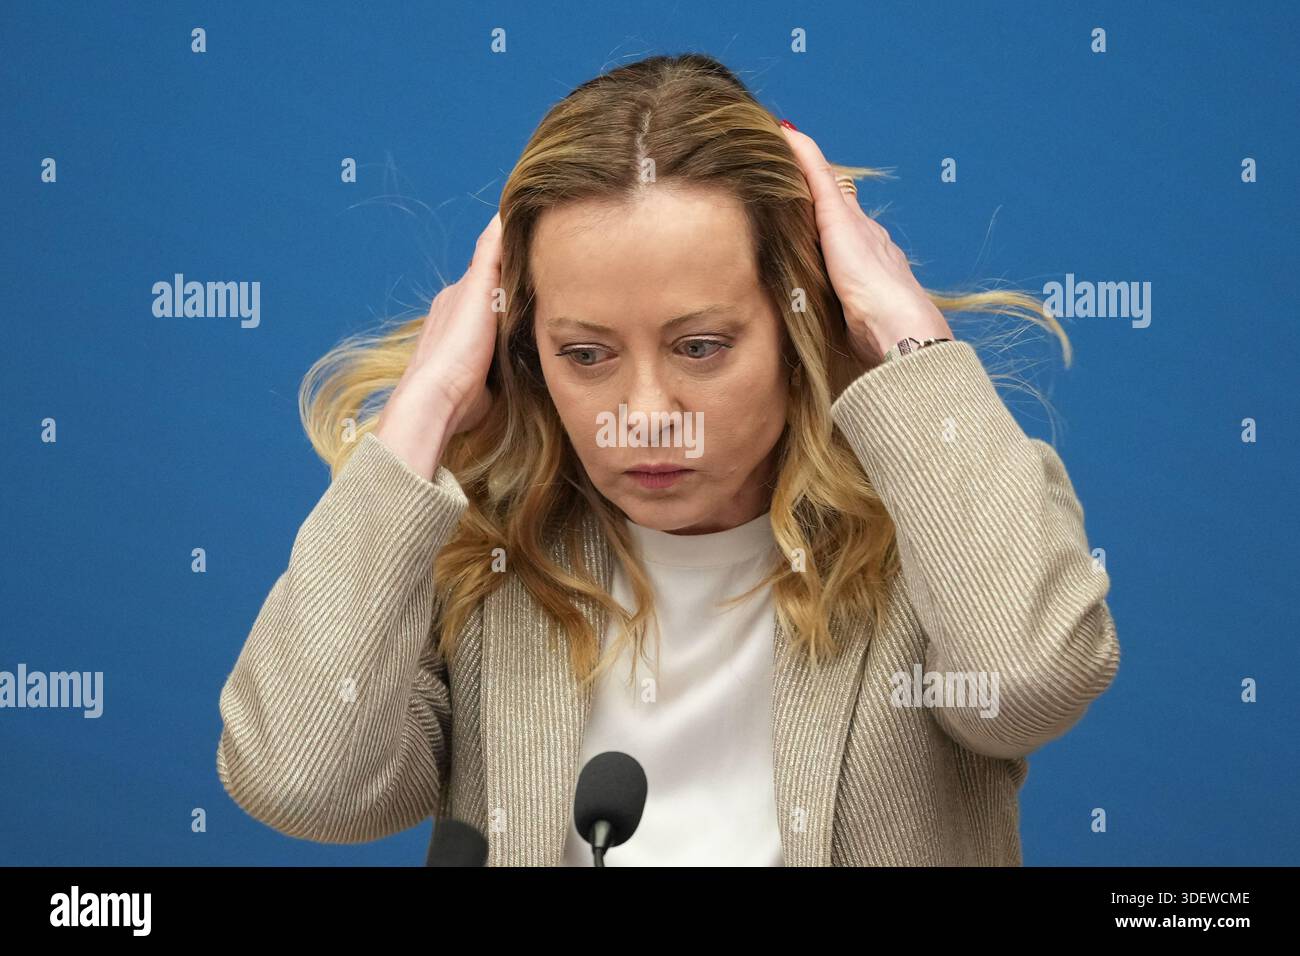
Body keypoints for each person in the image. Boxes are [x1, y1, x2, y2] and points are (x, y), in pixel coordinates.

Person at [216, 53, 1119, 866]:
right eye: (586, 354)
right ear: (519, 345)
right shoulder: (479, 560)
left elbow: (1026, 684)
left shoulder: (944, 518)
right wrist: (425, 405)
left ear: (802, 319)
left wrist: (907, 335)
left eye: (700, 347)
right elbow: (304, 783)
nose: (645, 420)